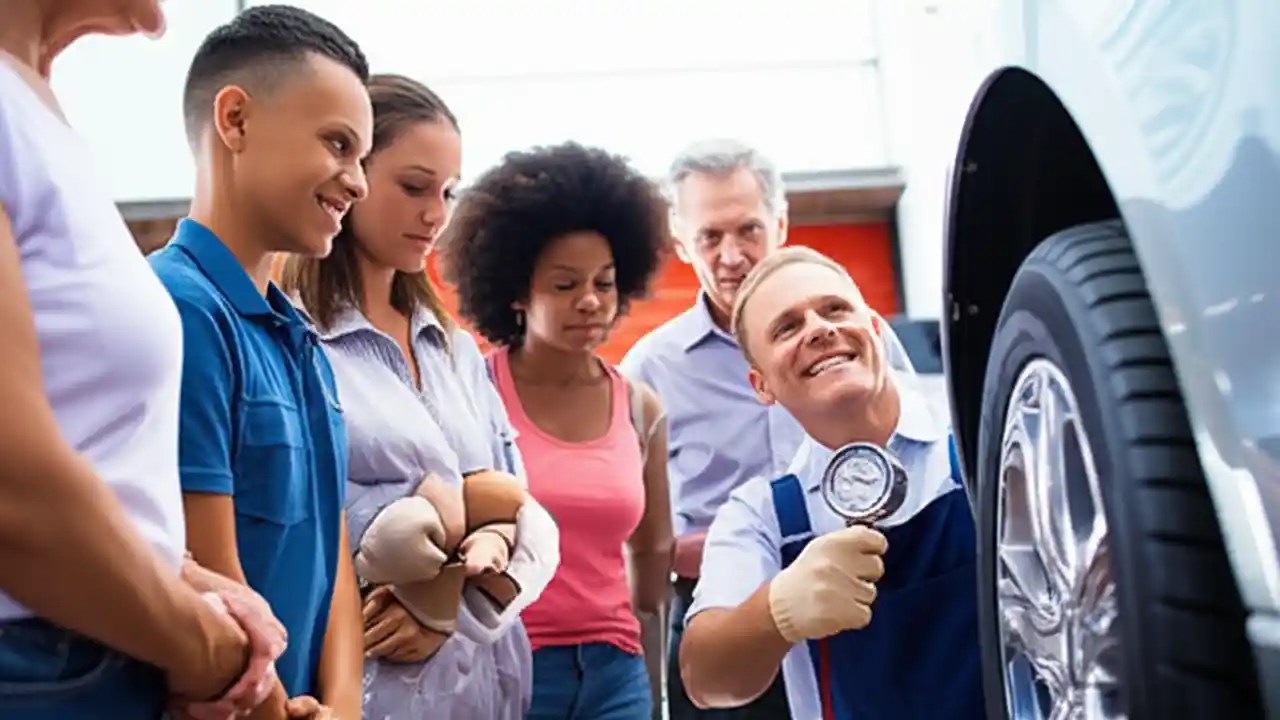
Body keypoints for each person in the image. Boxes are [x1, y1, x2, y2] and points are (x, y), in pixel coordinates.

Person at [0, 1, 283, 718]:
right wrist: (206, 651)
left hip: (95, 645)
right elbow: (14, 492)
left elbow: (88, 444)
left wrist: (181, 577)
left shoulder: (39, 115)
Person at [279, 73, 560, 720]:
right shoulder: (295, 339)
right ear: (350, 173)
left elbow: (526, 518)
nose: (436, 213)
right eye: (413, 187)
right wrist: (466, 517)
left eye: (449, 192)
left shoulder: (455, 350)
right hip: (376, 695)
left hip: (494, 694)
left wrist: (447, 609)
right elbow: (307, 525)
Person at [149, 6, 372, 718]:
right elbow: (207, 570)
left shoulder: (299, 336)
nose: (357, 181)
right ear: (236, 121)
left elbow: (332, 554)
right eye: (338, 145)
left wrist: (340, 705)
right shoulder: (175, 310)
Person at [678, 247, 984, 719]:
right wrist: (776, 610)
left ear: (877, 330)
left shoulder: (980, 436)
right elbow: (705, 680)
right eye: (787, 328)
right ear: (761, 386)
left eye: (835, 308)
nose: (820, 329)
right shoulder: (763, 517)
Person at [441, 142, 675, 720]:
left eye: (605, 282)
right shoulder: (471, 392)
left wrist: (651, 669)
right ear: (519, 293)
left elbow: (653, 549)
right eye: (566, 285)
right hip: (507, 661)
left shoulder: (639, 407)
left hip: (617, 669)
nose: (591, 301)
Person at [619, 138, 802, 719]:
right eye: (710, 237)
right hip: (720, 614)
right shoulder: (650, 369)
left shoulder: (856, 335)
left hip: (861, 606)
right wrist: (679, 553)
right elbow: (621, 520)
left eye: (748, 230)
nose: (731, 255)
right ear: (681, 242)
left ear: (780, 223)